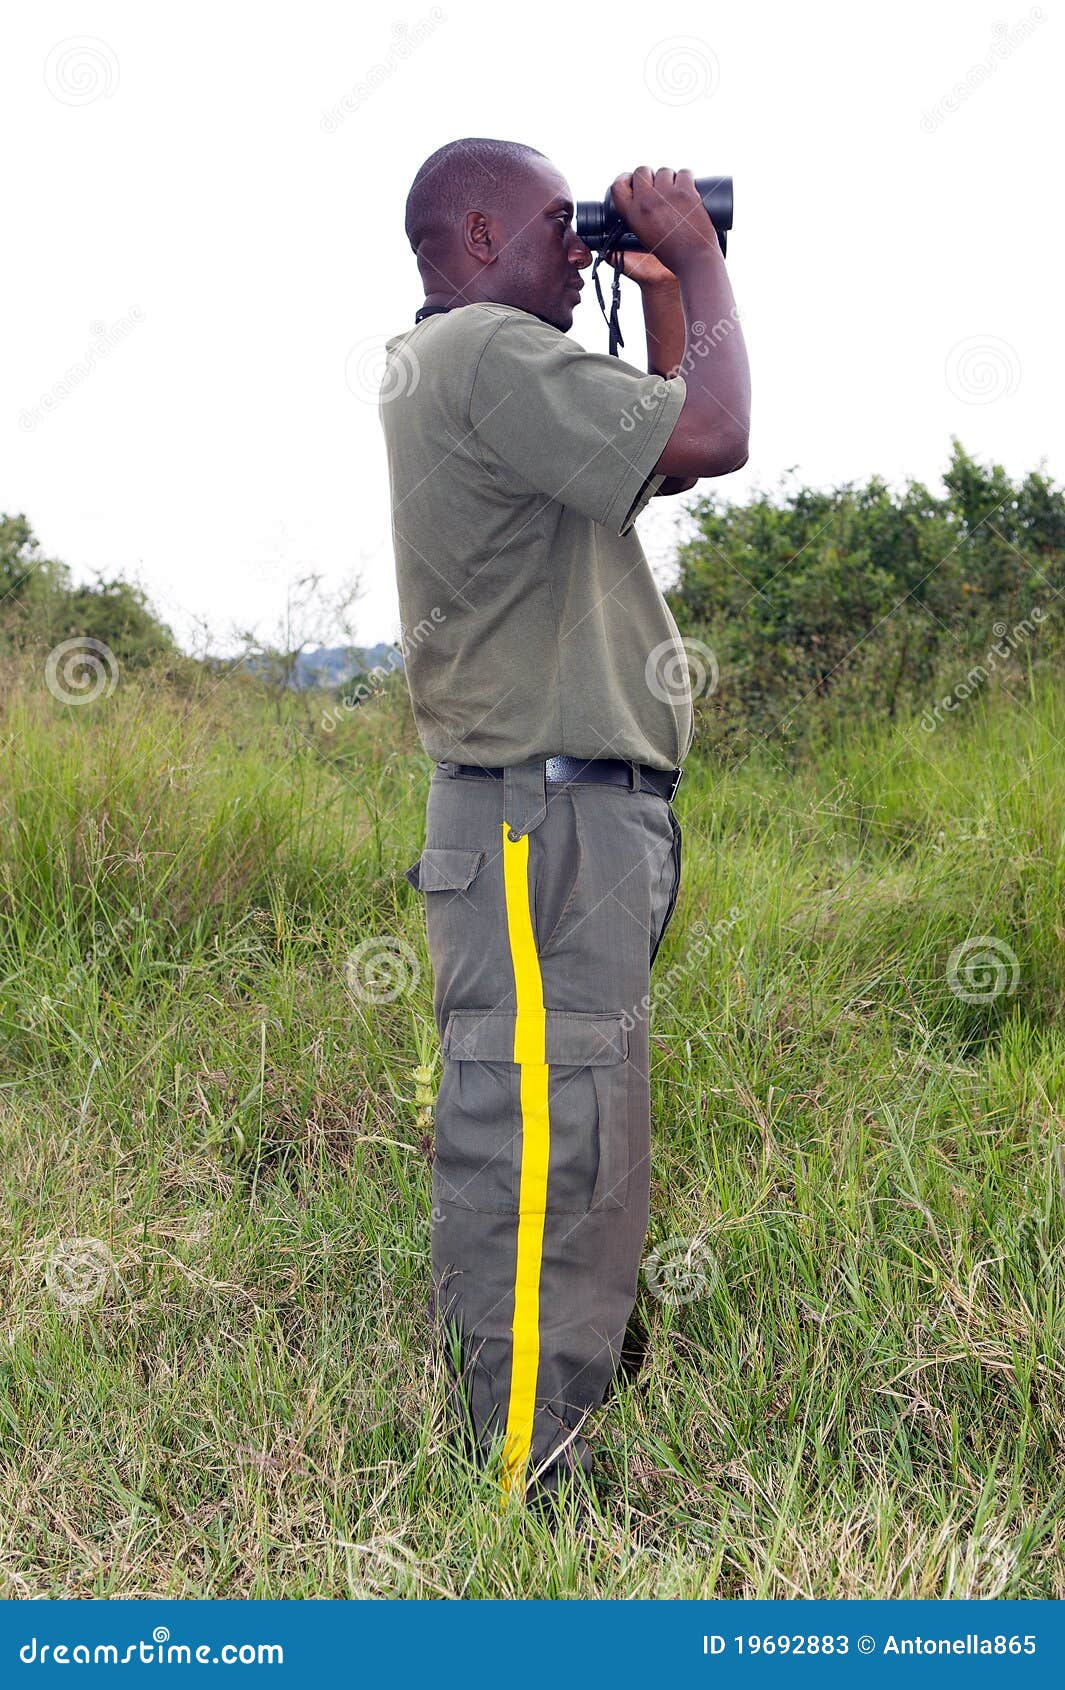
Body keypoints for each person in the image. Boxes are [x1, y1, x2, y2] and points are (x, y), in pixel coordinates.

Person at [379, 138, 750, 1510]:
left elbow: (665, 456)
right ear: (478, 236)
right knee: (541, 1130)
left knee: (572, 1115)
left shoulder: (479, 371)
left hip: (564, 818)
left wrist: (656, 287)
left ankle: (558, 1408)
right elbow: (718, 430)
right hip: (540, 815)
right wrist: (700, 258)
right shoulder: (481, 351)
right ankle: (522, 1473)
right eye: (559, 225)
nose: (575, 242)